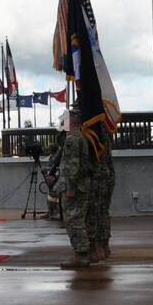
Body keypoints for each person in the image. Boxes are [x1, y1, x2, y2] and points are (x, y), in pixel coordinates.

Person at [54, 106, 94, 269]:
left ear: (73, 120)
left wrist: (70, 187)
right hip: (81, 186)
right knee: (78, 220)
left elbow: (72, 166)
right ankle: (83, 252)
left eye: (65, 119)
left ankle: (81, 255)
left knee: (73, 221)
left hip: (74, 188)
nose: (63, 122)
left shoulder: (73, 139)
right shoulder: (80, 137)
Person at [88, 122, 115, 262]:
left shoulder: (90, 128)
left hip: (96, 176)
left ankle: (96, 249)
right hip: (106, 174)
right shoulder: (103, 127)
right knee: (103, 212)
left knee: (94, 213)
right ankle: (104, 246)